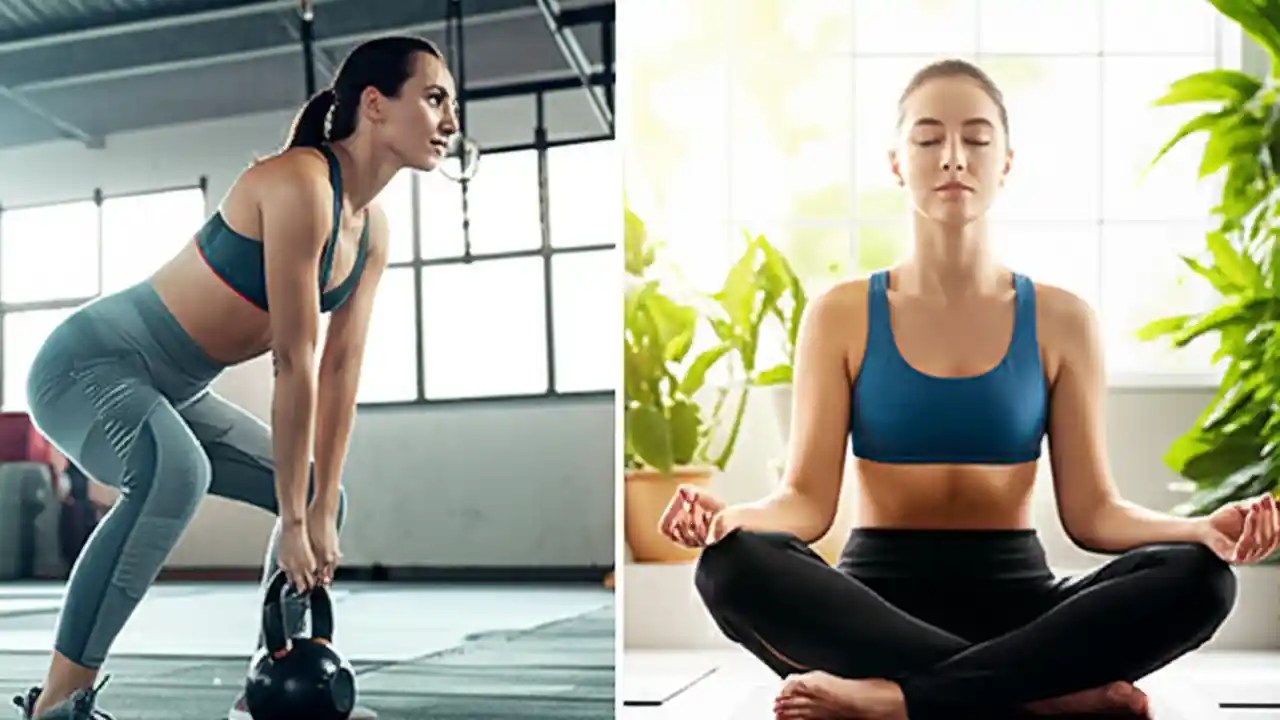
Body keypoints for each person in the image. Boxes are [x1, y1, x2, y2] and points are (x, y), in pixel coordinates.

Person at [659, 58, 1280, 720]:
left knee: (1200, 580)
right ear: (898, 162)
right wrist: (727, 521)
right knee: (730, 566)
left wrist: (1200, 529)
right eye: (927, 139)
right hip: (872, 607)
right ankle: (1036, 700)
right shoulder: (840, 314)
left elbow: (1093, 512)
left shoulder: (1062, 320)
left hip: (1024, 606)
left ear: (1006, 161)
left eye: (977, 139)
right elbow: (806, 504)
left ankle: (907, 697)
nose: (953, 156)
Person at [11, 34, 459, 720]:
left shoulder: (371, 231)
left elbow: (340, 369)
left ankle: (268, 695)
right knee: (176, 473)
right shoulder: (299, 182)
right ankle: (56, 705)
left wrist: (314, 509)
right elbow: (294, 359)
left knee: (318, 499)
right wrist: (287, 521)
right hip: (88, 365)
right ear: (375, 104)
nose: (452, 122)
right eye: (434, 99)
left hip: (176, 390)